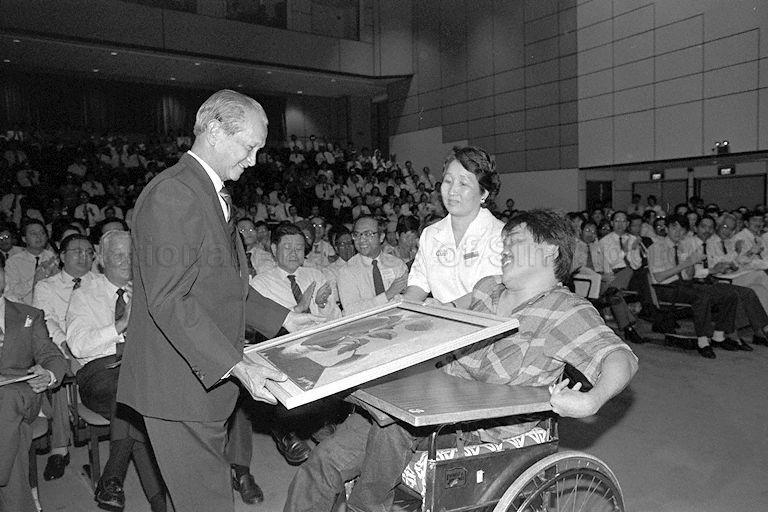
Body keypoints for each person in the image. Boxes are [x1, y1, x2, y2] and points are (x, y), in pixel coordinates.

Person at [284, 209, 638, 512]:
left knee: (391, 430)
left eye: (515, 241)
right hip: (423, 403)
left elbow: (621, 358)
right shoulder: (488, 287)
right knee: (321, 464)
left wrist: (591, 399)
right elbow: (442, 315)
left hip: (472, 429)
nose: (504, 249)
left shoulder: (565, 310)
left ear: (548, 251)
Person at [116, 89, 320, 512]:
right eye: (249, 147)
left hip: (201, 379)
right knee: (207, 502)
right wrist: (236, 363)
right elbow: (170, 299)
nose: (253, 160)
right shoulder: (174, 194)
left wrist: (286, 320)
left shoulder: (211, 192)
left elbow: (231, 286)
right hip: (178, 385)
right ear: (213, 130)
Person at [67, 230, 167, 511]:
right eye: (118, 255)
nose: (126, 261)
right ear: (101, 259)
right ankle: (153, 497)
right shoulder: (84, 295)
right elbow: (78, 345)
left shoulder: (151, 289)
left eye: (131, 255)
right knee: (133, 396)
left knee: (131, 406)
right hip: (100, 373)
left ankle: (112, 480)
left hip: (141, 374)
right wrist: (121, 324)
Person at [0, 265, 68, 512]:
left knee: (5, 398)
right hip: (9, 418)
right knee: (13, 438)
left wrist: (49, 374)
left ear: (4, 275)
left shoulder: (28, 315)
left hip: (21, 392)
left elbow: (52, 356)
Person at [404, 146, 504, 308]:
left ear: (483, 193)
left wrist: (451, 307)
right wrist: (403, 305)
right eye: (448, 181)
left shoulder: (500, 235)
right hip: (441, 321)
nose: (452, 191)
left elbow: (493, 289)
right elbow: (419, 283)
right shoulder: (430, 234)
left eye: (463, 183)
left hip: (484, 323)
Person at [31, 233, 97, 481]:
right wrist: (68, 346)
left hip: (96, 346)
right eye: (77, 251)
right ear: (62, 257)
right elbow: (46, 320)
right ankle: (60, 448)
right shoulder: (46, 287)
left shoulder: (100, 282)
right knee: (57, 370)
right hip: (62, 346)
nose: (84, 256)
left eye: (89, 251)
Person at [647, 214, 741, 358]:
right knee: (701, 296)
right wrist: (685, 263)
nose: (678, 233)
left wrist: (691, 262)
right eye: (674, 228)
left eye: (682, 229)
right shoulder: (656, 247)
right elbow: (659, 276)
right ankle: (703, 341)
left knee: (729, 292)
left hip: (685, 284)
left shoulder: (683, 247)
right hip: (666, 288)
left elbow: (688, 275)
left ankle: (718, 336)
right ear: (666, 228)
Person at [337, 216, 408, 315]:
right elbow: (351, 310)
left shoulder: (397, 264)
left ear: (381, 237)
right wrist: (388, 295)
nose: (361, 239)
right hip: (366, 327)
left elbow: (409, 298)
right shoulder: (347, 271)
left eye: (368, 234)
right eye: (357, 235)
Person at [4, 219, 59, 305]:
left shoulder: (52, 257)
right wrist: (35, 278)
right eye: (33, 234)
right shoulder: (13, 262)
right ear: (24, 239)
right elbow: (11, 293)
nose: (39, 236)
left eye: (42, 233)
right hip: (24, 310)